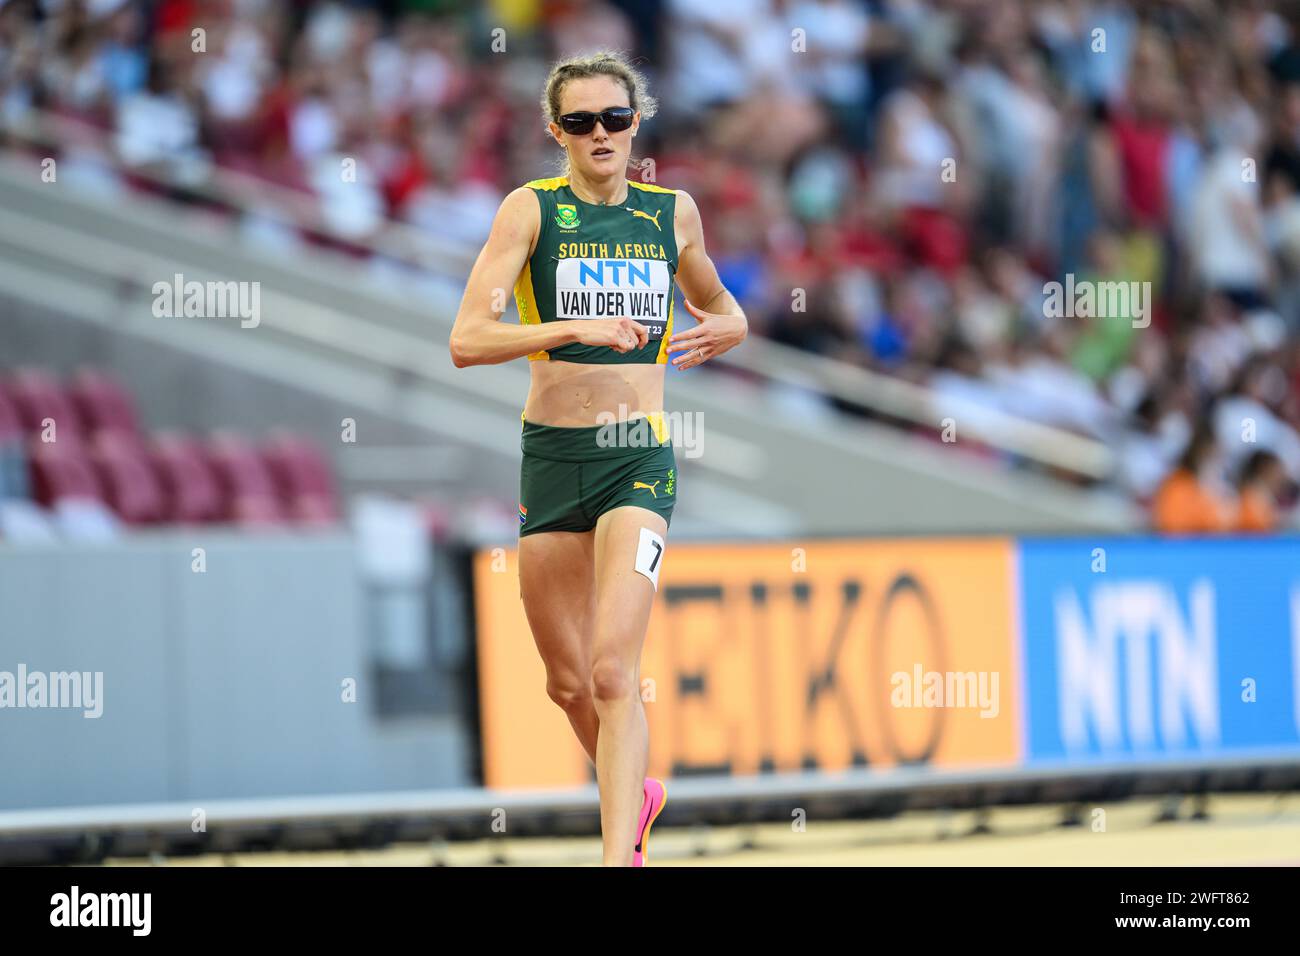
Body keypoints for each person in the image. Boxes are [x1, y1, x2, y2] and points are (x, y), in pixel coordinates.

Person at [449, 51, 747, 865]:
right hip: (550, 457)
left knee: (615, 671)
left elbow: (720, 304)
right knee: (569, 684)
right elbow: (466, 340)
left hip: (635, 459)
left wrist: (734, 326)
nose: (600, 134)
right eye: (580, 122)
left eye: (614, 118)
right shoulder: (530, 212)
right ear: (557, 131)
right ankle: (637, 792)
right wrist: (565, 329)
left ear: (636, 122)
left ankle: (621, 858)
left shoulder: (670, 214)